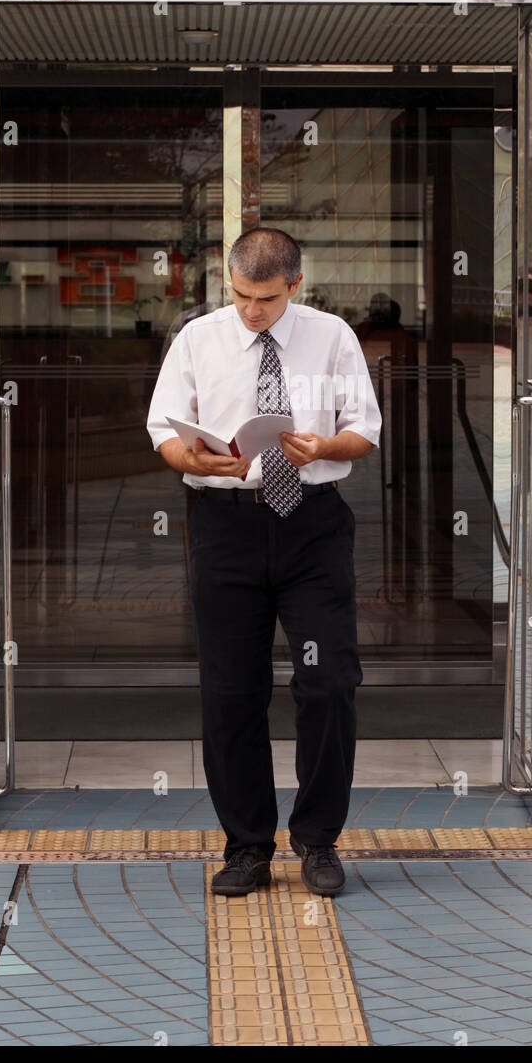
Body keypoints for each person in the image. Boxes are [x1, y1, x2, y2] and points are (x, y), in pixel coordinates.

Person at [146, 228, 382, 897]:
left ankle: (318, 840)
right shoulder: (198, 337)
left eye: (266, 298)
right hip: (225, 525)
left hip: (312, 522)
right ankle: (247, 845)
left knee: (330, 681)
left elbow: (364, 429)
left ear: (294, 287)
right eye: (242, 295)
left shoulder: (331, 335)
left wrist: (322, 445)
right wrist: (191, 457)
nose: (251, 310)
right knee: (230, 691)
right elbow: (164, 427)